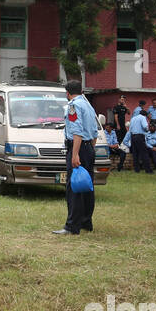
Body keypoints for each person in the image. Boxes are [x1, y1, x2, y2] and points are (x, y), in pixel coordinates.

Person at [54, 78, 99, 235]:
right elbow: (94, 132)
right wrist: (89, 149)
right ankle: (87, 222)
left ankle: (72, 226)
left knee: (74, 188)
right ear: (81, 91)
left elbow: (77, 132)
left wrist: (75, 154)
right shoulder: (88, 104)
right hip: (88, 148)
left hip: (77, 148)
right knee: (87, 186)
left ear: (67, 93)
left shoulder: (73, 106)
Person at [127, 106, 155, 173]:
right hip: (139, 136)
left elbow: (130, 129)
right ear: (145, 115)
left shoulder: (133, 118)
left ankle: (137, 170)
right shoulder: (143, 118)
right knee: (144, 153)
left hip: (133, 136)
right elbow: (145, 127)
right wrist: (148, 130)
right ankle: (148, 170)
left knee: (135, 154)